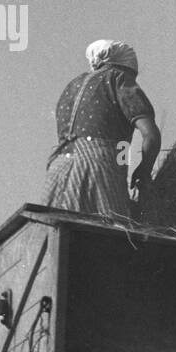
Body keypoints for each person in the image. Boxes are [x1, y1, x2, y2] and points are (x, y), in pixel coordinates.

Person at [42, 40, 160, 220]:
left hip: (58, 169)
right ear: (124, 67)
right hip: (99, 166)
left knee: (57, 230)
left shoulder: (72, 86)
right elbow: (151, 136)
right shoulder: (119, 79)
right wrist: (144, 171)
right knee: (111, 230)